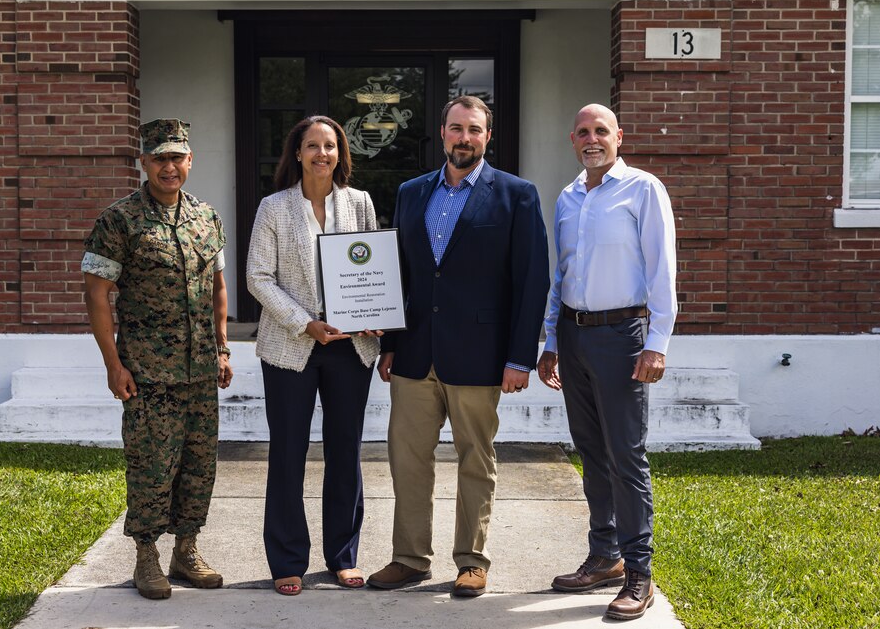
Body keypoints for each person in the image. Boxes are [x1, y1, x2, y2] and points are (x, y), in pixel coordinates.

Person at [367, 95, 549, 598]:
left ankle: (471, 560)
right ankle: (409, 557)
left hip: (481, 353)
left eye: (474, 129)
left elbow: (531, 281)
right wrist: (390, 343)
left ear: (488, 136)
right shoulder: (411, 192)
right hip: (415, 353)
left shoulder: (517, 194)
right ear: (442, 132)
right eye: (455, 128)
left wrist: (519, 356)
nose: (464, 138)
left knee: (476, 459)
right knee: (406, 459)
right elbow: (402, 275)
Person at [81, 118, 233, 600]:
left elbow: (218, 287)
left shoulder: (206, 217)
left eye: (177, 157)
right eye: (159, 158)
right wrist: (113, 363)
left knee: (198, 464)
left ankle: (185, 551)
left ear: (190, 160)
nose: (170, 166)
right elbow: (97, 294)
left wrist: (223, 347)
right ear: (144, 162)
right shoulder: (119, 220)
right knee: (151, 466)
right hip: (147, 372)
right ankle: (146, 557)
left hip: (200, 372)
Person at [536, 103, 677, 621]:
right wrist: (550, 341)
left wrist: (656, 342)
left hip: (624, 336)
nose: (592, 139)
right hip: (574, 338)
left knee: (626, 457)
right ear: (572, 139)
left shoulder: (643, 189)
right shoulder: (568, 198)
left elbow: (663, 269)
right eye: (583, 132)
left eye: (602, 131)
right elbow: (561, 275)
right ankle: (605, 556)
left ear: (619, 137)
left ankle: (640, 572)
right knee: (591, 454)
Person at [246, 115, 380, 597]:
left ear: (341, 153)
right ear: (297, 153)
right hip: (291, 346)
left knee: (346, 451)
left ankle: (343, 556)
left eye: (330, 146)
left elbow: (374, 267)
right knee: (288, 452)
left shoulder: (359, 203)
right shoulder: (273, 207)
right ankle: (287, 559)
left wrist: (375, 311)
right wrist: (305, 322)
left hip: (350, 347)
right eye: (312, 146)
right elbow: (257, 277)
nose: (322, 154)